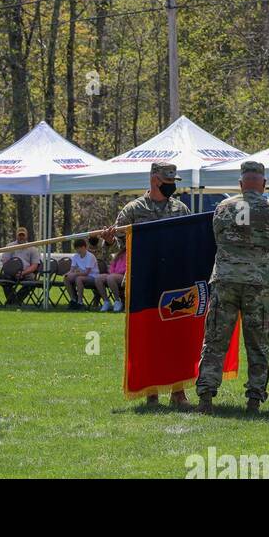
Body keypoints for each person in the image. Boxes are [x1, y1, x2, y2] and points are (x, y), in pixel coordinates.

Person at [195, 161, 269, 415]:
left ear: (240, 184)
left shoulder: (223, 208)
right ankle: (253, 399)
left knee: (216, 340)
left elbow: (217, 236)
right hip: (258, 284)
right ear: (263, 183)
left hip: (226, 282)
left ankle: (206, 396)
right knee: (258, 343)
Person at [100, 162, 192, 407]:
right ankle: (151, 392)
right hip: (144, 280)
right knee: (148, 337)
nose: (171, 185)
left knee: (176, 338)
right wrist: (108, 241)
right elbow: (115, 245)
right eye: (167, 181)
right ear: (154, 179)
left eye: (174, 181)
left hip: (174, 281)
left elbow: (189, 243)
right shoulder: (133, 209)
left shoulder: (181, 209)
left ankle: (178, 391)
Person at [0, 226, 41, 305]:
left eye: (23, 235)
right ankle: (14, 300)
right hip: (11, 272)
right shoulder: (9, 246)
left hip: (26, 272)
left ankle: (16, 300)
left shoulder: (33, 248)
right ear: (16, 236)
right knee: (2, 277)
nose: (21, 237)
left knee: (32, 281)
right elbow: (5, 262)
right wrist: (13, 272)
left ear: (26, 236)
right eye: (19, 235)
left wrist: (23, 273)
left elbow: (35, 266)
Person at [64, 239, 99, 310]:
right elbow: (72, 270)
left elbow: (87, 272)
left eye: (79, 248)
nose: (78, 250)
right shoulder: (75, 256)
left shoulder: (90, 256)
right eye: (76, 248)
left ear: (84, 247)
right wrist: (67, 274)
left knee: (78, 279)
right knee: (66, 278)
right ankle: (73, 300)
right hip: (81, 275)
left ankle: (80, 302)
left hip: (93, 277)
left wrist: (75, 274)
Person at [95, 242, 127, 312]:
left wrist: (116, 273)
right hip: (114, 274)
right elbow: (113, 264)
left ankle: (117, 301)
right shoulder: (120, 253)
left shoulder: (132, 253)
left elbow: (127, 268)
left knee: (110, 278)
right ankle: (106, 301)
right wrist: (112, 272)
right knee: (98, 278)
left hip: (124, 275)